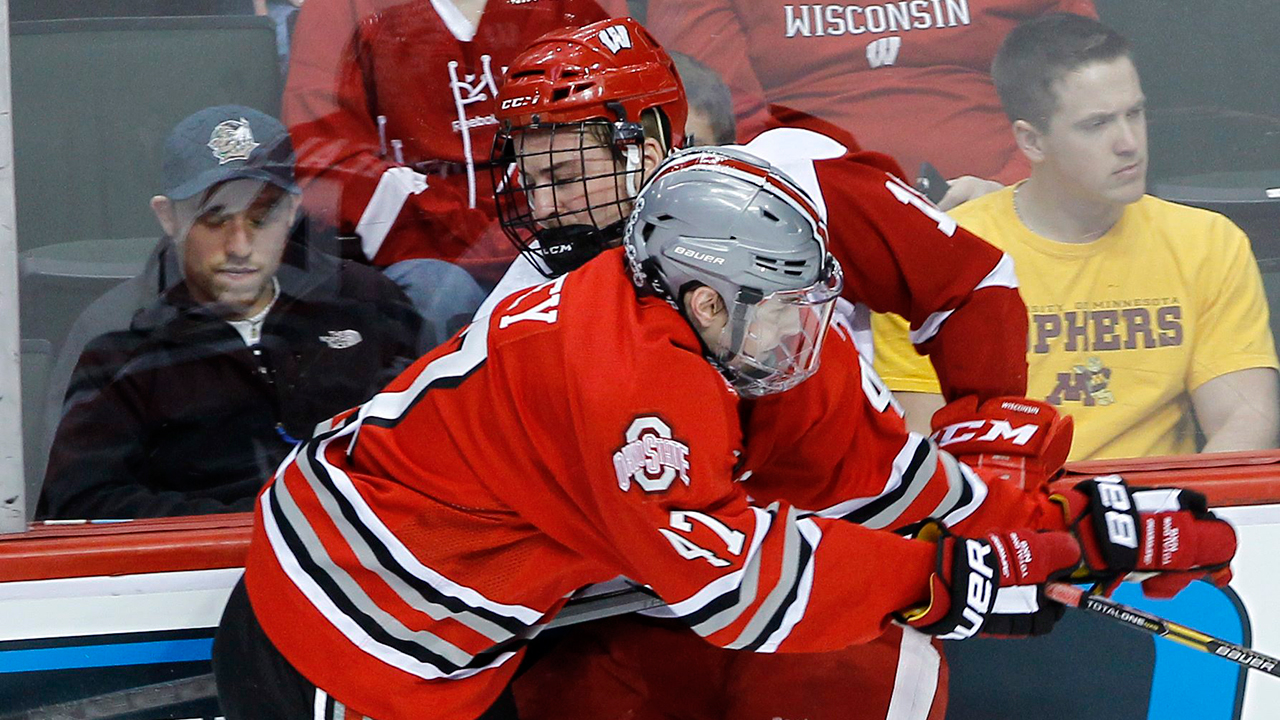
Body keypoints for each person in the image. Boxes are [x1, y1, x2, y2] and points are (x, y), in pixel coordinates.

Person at [473, 19, 1231, 720]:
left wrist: (991, 465)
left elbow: (968, 286)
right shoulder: (523, 306)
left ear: (646, 140)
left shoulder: (785, 174)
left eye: (566, 174)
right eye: (532, 178)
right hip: (631, 621)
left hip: (838, 580)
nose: (546, 205)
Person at [871, 13, 1280, 461]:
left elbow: (1246, 420)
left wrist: (1176, 511)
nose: (1129, 142)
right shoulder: (938, 257)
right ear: (1032, 142)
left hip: (1163, 507)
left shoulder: (1208, 243)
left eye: (1135, 114)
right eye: (1097, 124)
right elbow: (927, 447)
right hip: (1008, 513)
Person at [37, 105, 422, 519]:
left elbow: (437, 451)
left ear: (292, 211)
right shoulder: (117, 334)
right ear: (169, 217)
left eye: (262, 217)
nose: (239, 245)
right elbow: (78, 506)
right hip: (195, 575)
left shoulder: (366, 303)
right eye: (214, 218)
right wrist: (256, 526)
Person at [280, 0, 611, 297]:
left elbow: (629, 119)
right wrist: (479, 238)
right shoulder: (343, 7)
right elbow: (324, 154)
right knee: (438, 292)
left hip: (565, 240)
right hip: (427, 265)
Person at [641, 0, 1098, 209]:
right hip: (807, 238)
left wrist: (1018, 194)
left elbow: (1088, 90)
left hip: (1017, 218)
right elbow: (713, 120)